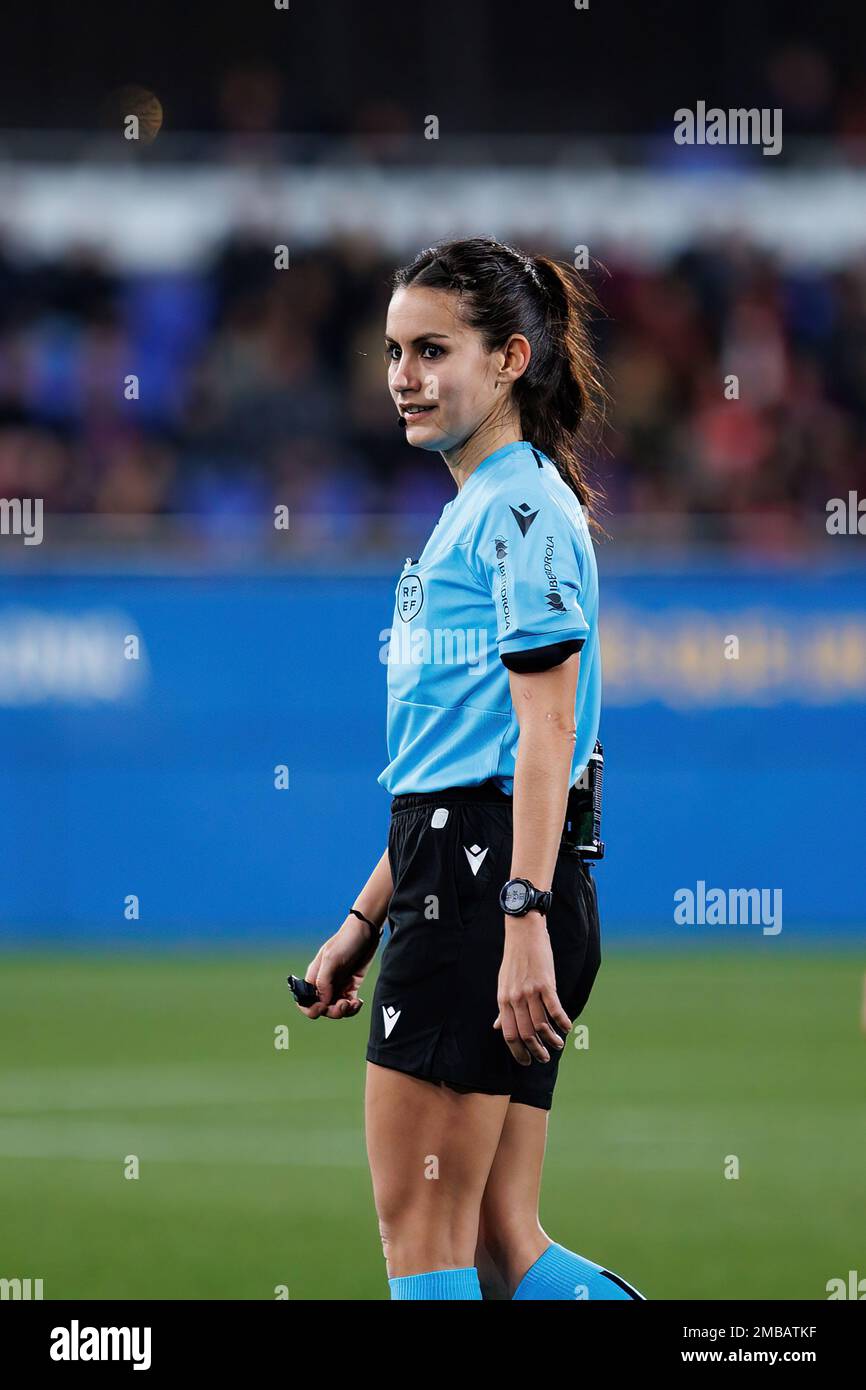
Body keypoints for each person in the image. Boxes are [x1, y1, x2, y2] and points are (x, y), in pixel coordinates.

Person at [294, 236, 644, 1301]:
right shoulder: (486, 509)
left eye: (432, 348)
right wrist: (364, 919)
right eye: (394, 349)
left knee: (425, 1239)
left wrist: (520, 914)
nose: (403, 373)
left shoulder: (517, 509)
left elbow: (544, 736)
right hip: (477, 882)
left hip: (489, 896)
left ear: (509, 360)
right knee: (500, 1245)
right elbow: (454, 767)